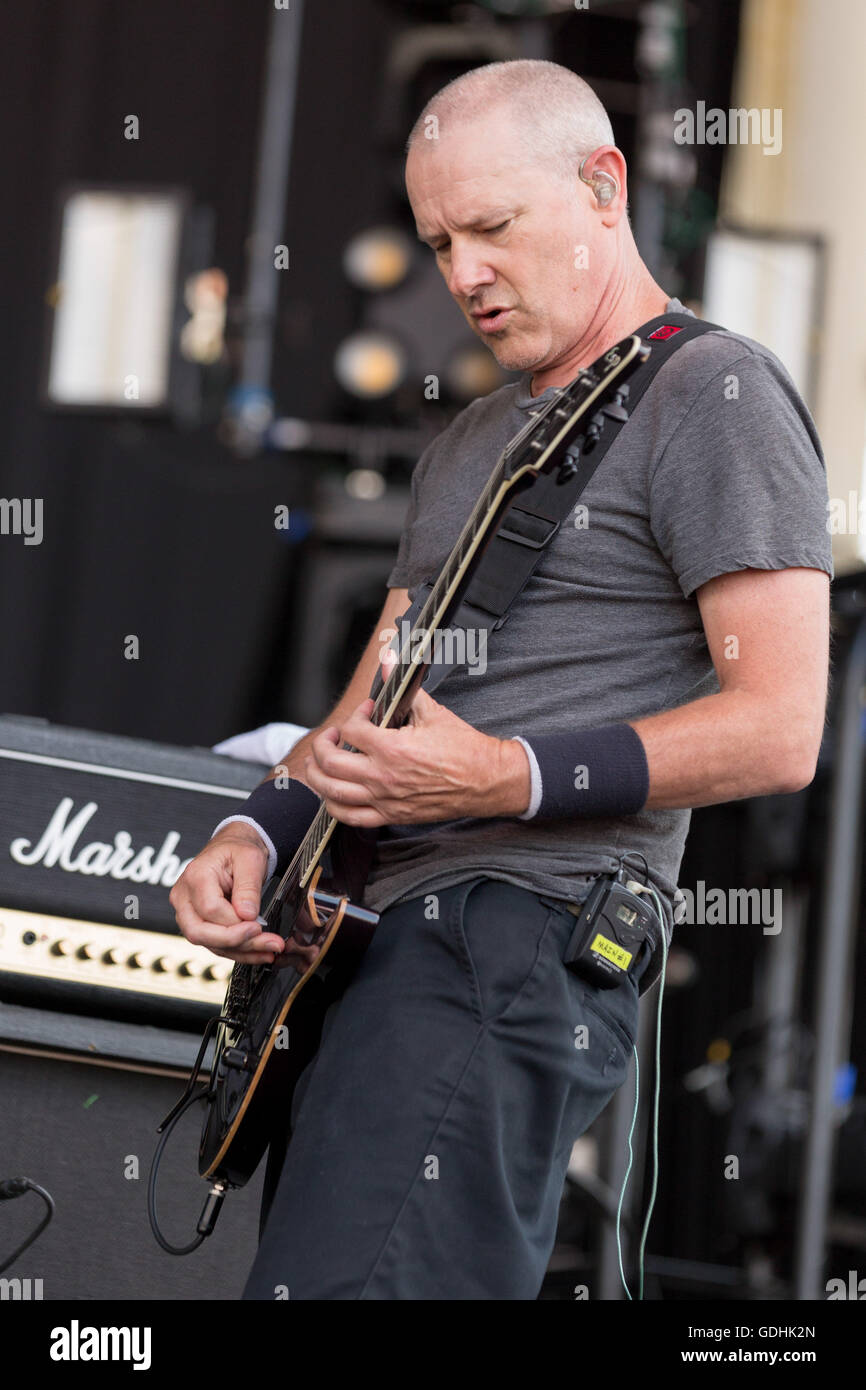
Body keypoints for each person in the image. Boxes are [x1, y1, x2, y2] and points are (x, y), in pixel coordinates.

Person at [169, 59, 833, 1299]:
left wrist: (503, 773)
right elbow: (372, 700)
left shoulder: (715, 393)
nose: (461, 271)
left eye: (490, 226)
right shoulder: (469, 439)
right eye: (435, 241)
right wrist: (259, 826)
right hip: (367, 936)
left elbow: (780, 729)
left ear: (601, 187)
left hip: (519, 922)